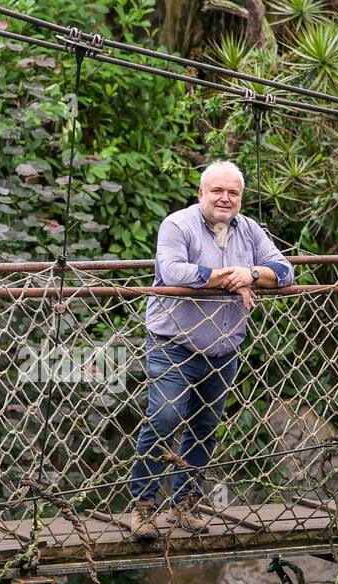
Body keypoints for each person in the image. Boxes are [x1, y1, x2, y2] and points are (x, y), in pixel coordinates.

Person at [127, 160, 294, 539]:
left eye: (233, 192)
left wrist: (250, 274)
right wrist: (227, 277)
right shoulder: (177, 225)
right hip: (174, 344)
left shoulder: (248, 228)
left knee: (204, 428)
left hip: (223, 349)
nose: (225, 198)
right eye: (217, 190)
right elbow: (173, 272)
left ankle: (185, 505)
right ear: (201, 193)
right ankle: (144, 507)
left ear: (241, 197)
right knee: (166, 418)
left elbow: (284, 271)